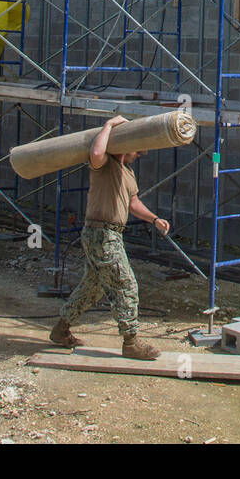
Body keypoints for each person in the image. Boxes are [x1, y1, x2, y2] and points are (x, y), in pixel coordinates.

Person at [48, 114, 169, 359]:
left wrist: (154, 219)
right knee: (126, 284)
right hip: (101, 234)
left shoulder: (127, 173)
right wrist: (109, 125)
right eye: (137, 149)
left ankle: (61, 329)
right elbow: (94, 153)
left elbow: (132, 202)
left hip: (109, 234)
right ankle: (131, 341)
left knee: (92, 288)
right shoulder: (104, 164)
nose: (140, 153)